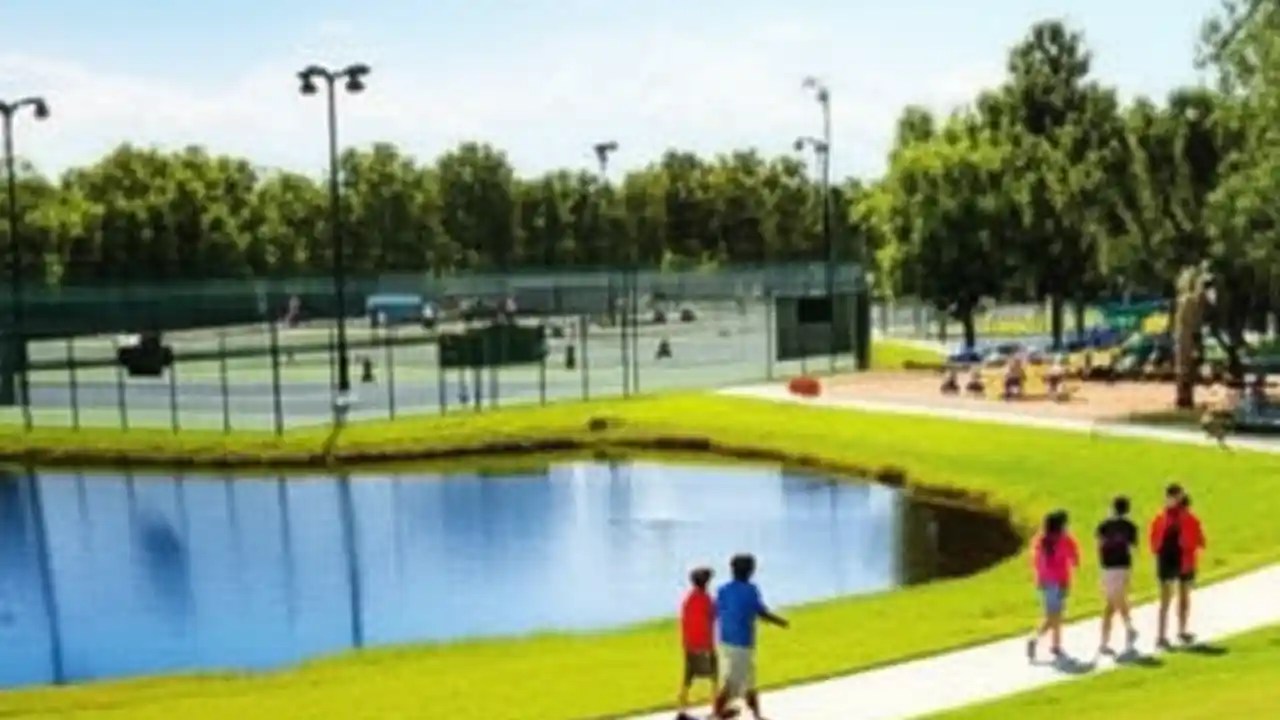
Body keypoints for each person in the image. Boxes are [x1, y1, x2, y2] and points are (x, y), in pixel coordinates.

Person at [713, 554, 789, 720]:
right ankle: (716, 714)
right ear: (750, 571)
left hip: (727, 641)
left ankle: (756, 715)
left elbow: (716, 612)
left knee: (748, 680)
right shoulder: (750, 590)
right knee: (733, 683)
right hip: (740, 643)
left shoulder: (723, 590)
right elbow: (761, 612)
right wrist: (780, 622)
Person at [1149, 484, 1206, 649]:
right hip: (1171, 559)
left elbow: (1199, 540)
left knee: (1181, 598)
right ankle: (1163, 635)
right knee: (1168, 598)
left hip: (1182, 559)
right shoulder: (1166, 518)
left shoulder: (1179, 518)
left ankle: (1177, 632)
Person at [1027, 510, 1079, 662]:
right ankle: (1037, 639)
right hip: (1060, 581)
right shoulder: (1064, 540)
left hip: (1046, 582)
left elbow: (1036, 562)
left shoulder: (1040, 541)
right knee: (1054, 616)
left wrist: (1039, 579)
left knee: (1055, 615)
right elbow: (1074, 558)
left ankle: (1055, 645)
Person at [1096, 496, 1139, 655]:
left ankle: (1106, 641)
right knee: (1114, 602)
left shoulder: (1104, 526)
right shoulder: (1130, 526)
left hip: (1108, 567)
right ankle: (1127, 629)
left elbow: (1099, 545)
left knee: (1112, 603)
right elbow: (1133, 547)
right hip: (1123, 566)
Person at [677, 567, 718, 720]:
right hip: (705, 646)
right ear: (706, 583)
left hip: (689, 646)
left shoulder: (688, 599)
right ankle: (715, 710)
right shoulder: (706, 599)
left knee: (687, 678)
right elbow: (714, 615)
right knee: (714, 677)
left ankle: (681, 710)